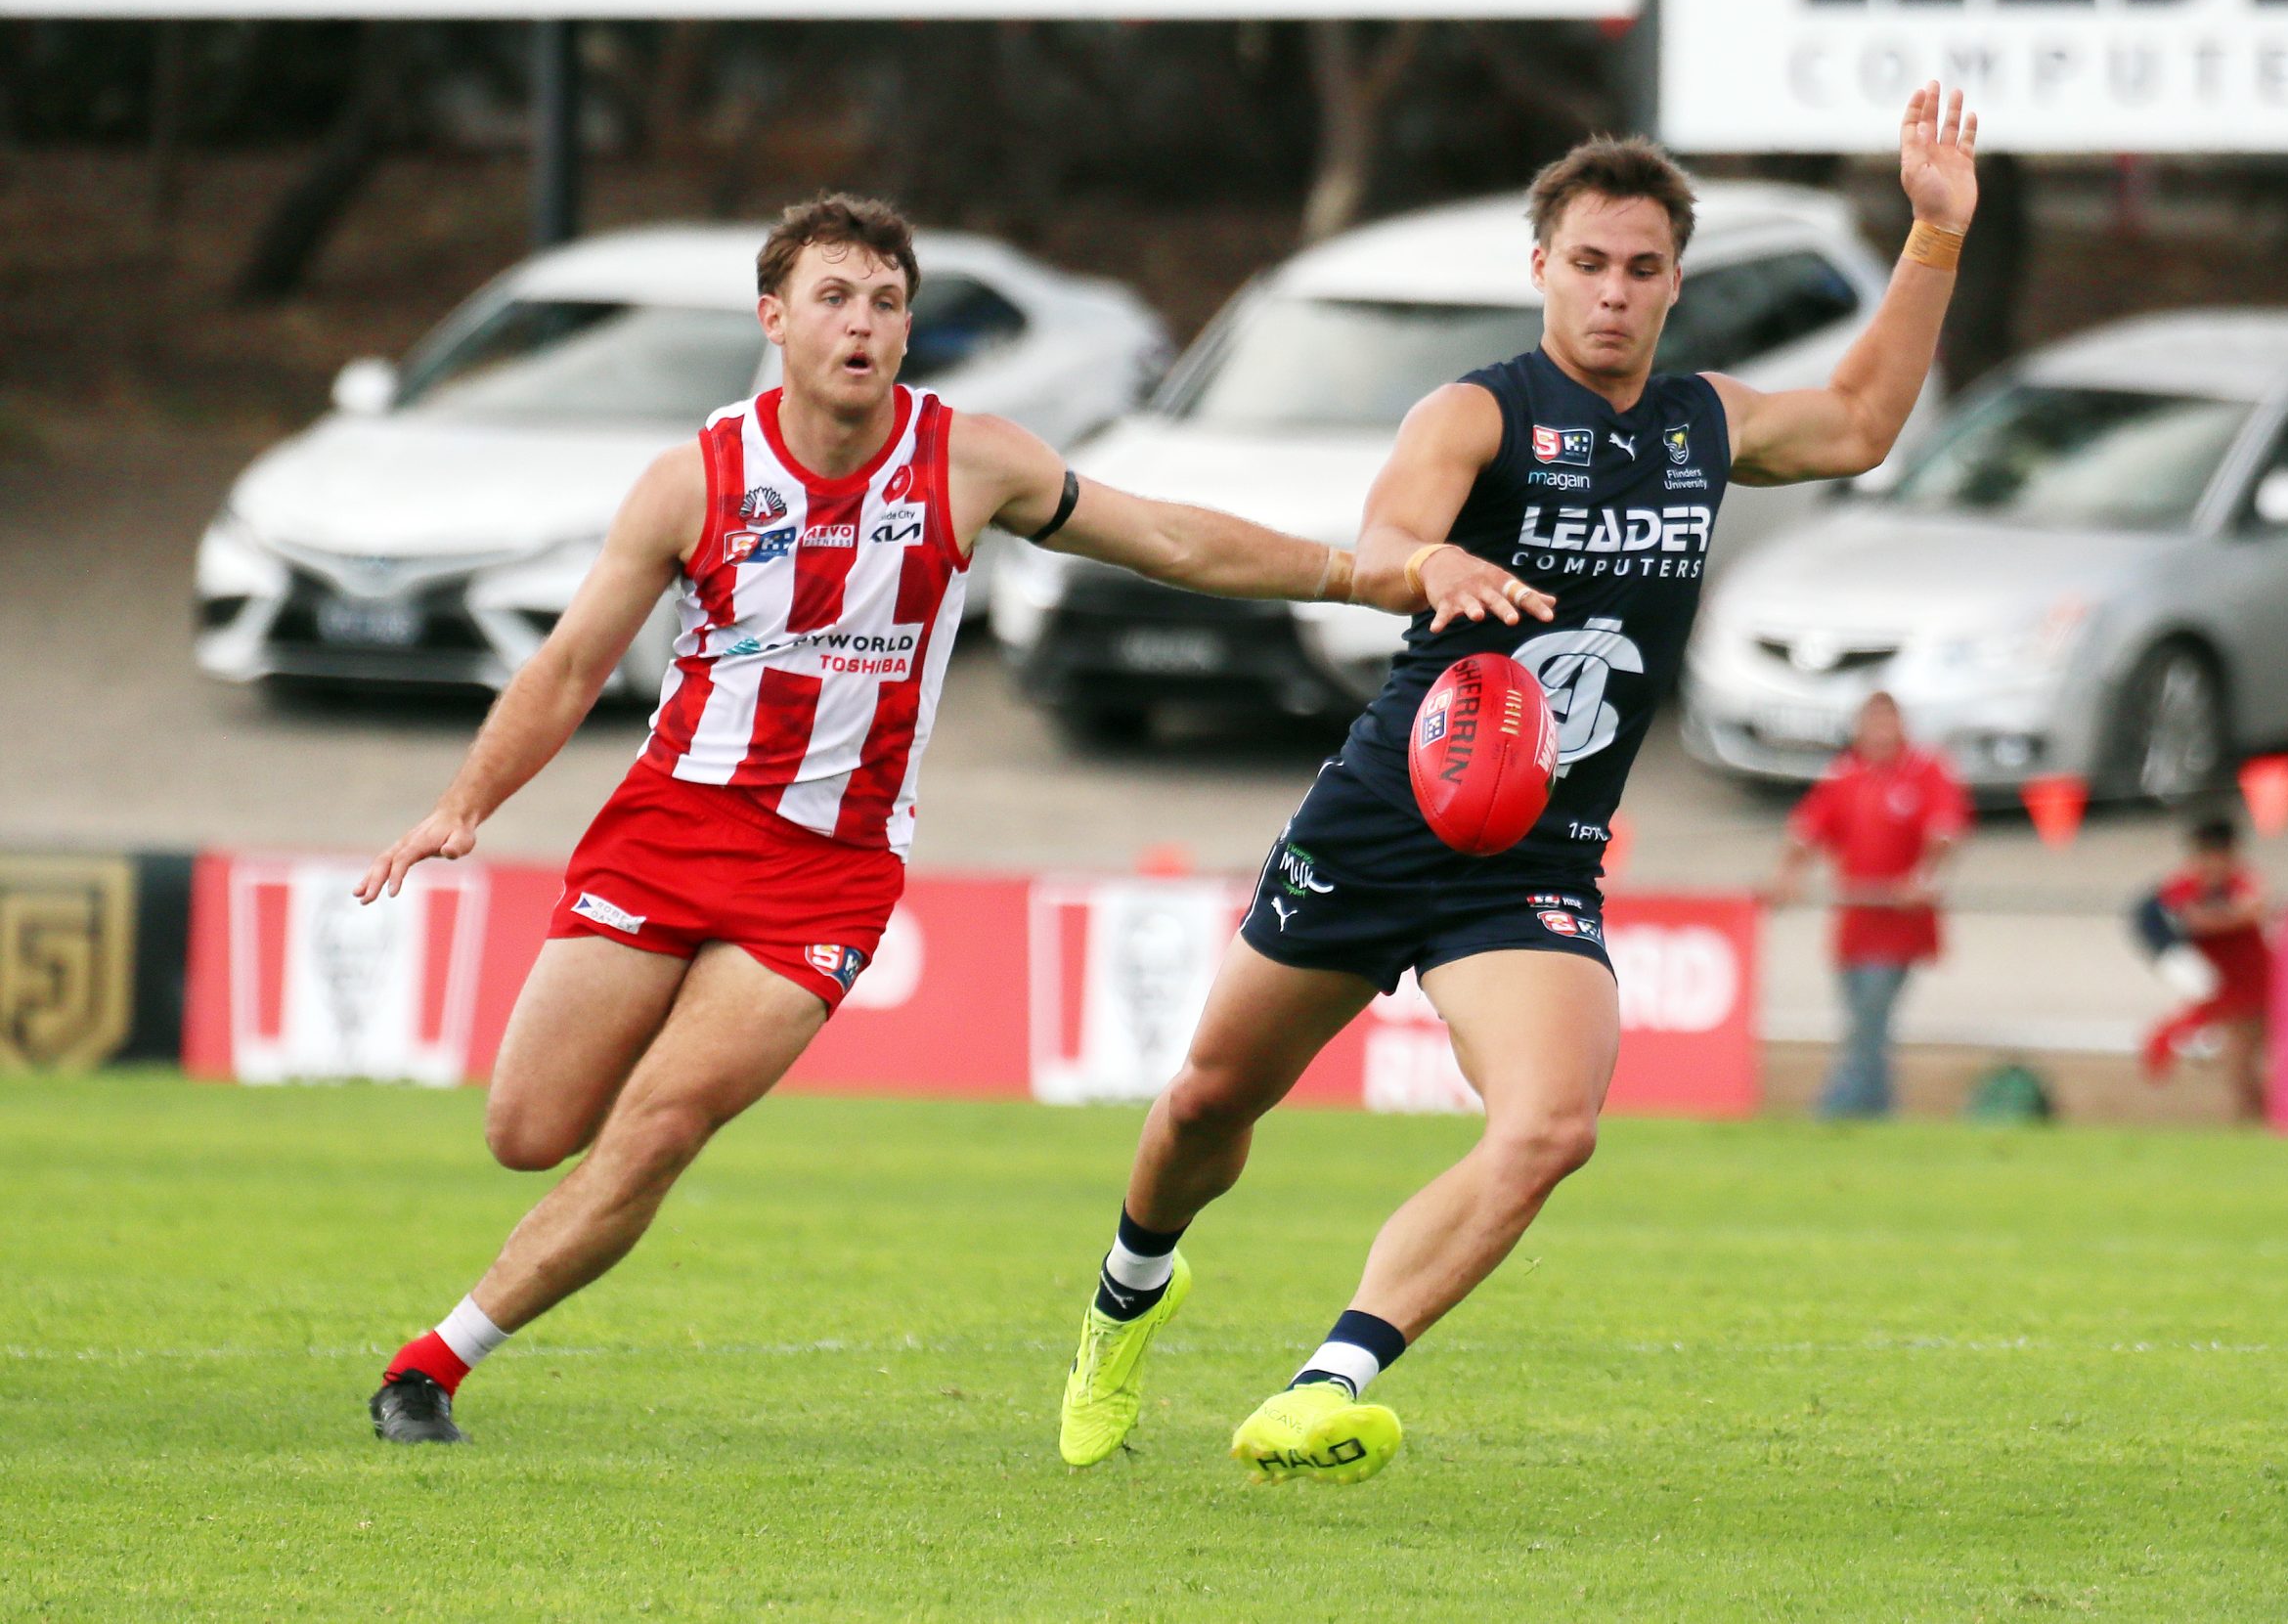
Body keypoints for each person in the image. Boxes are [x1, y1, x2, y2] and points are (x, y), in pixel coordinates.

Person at [356, 192, 1460, 1445]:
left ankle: (430, 1368)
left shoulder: (969, 462)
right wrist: (461, 807)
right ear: (773, 319)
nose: (863, 323)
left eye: (886, 301)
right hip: (666, 832)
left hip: (827, 873)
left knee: (658, 1128)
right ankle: (513, 1268)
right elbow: (566, 668)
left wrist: (1356, 574)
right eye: (833, 297)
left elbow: (1161, 537)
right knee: (527, 1131)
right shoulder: (693, 480)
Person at [1057, 86, 1982, 1484]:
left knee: (1552, 1125)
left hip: (1536, 853)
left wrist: (1933, 235)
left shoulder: (1703, 423)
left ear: (1676, 283)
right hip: (1385, 818)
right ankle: (1128, 1294)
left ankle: (1326, 1382)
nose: (1614, 292)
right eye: (1589, 262)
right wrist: (1429, 560)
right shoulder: (1476, 413)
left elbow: (1856, 424)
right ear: (1541, 266)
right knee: (1205, 1102)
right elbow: (1386, 533)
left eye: (1643, 267)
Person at [1764, 691, 1971, 1119]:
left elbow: (1946, 832)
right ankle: (1879, 1111)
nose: (1878, 733)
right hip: (1854, 924)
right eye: (1871, 723)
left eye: (1886, 722)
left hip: (1899, 927)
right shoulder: (1846, 774)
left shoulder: (1926, 770)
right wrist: (1787, 875)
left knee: (1869, 1017)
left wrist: (1923, 878)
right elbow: (1806, 828)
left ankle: (1834, 1108)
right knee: (1863, 1021)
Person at [2136, 816, 2273, 1121]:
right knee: (2238, 1063)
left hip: (2258, 983)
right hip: (2226, 988)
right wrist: (2226, 917)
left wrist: (2213, 918)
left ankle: (2265, 1121)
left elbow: (2249, 911)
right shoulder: (2183, 886)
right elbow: (2188, 920)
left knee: (2248, 1061)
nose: (2212, 867)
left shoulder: (2243, 882)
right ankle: (2257, 1123)